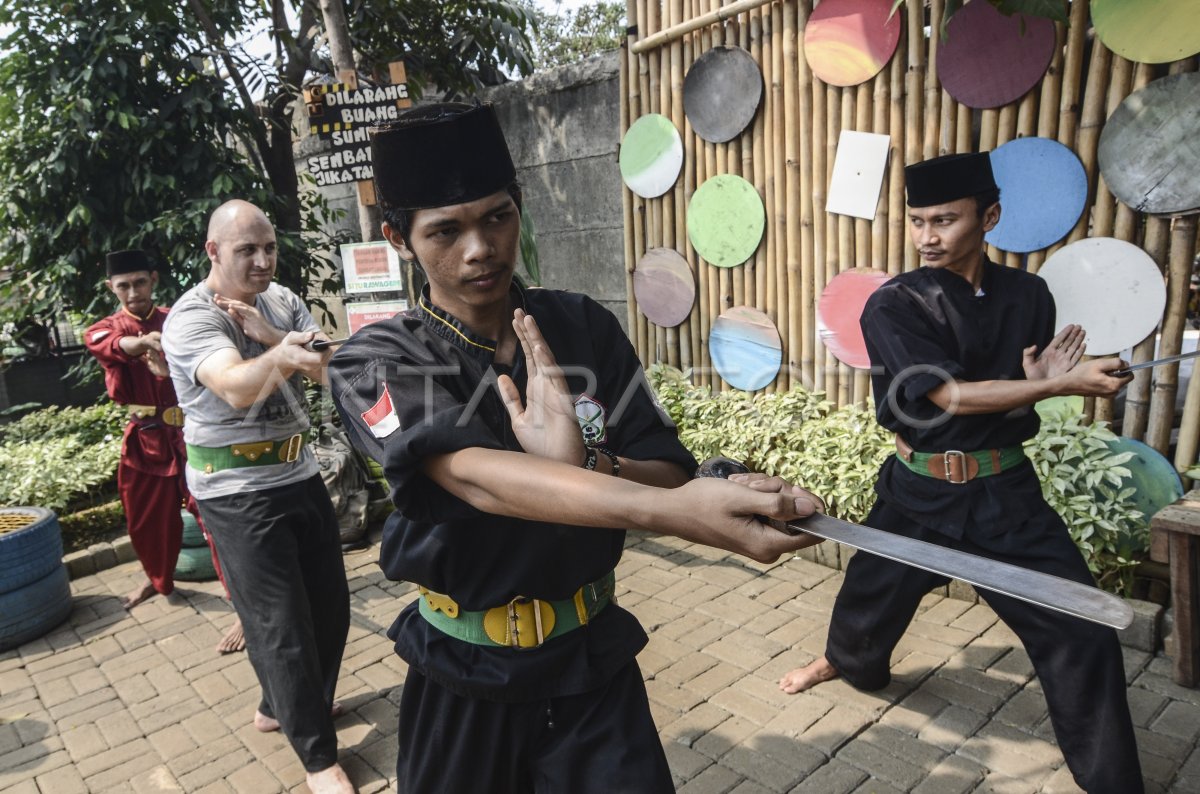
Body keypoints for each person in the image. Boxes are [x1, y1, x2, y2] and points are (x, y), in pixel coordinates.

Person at [327, 102, 823, 794]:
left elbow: (666, 470)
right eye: (446, 230)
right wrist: (680, 515)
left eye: (497, 216)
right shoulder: (378, 359)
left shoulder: (581, 326)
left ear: (519, 206)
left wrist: (590, 463)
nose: (480, 248)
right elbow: (475, 478)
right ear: (398, 237)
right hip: (462, 677)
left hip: (592, 668)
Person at [777, 152, 1143, 793]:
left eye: (944, 220)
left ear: (990, 216)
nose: (926, 237)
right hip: (919, 488)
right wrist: (1060, 385)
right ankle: (845, 662)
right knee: (870, 593)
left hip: (1006, 494)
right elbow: (947, 397)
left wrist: (1039, 382)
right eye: (917, 221)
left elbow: (1011, 388)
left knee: (1080, 625)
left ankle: (1114, 782)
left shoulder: (1030, 296)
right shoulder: (894, 305)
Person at [161, 200, 353, 794]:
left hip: (298, 475)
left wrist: (275, 337)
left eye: (269, 247)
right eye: (248, 250)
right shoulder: (191, 318)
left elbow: (335, 370)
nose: (263, 260)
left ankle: (283, 708)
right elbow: (236, 387)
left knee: (330, 609)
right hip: (236, 491)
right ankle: (319, 760)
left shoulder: (284, 302)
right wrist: (284, 354)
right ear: (213, 252)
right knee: (282, 627)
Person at [85, 251, 245, 652]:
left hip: (191, 435)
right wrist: (142, 342)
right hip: (143, 442)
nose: (133, 291)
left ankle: (244, 602)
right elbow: (109, 344)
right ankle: (158, 580)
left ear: (153, 279)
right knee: (145, 521)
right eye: (123, 285)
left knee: (217, 518)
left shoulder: (179, 318)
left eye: (140, 282)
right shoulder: (105, 328)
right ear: (111, 288)